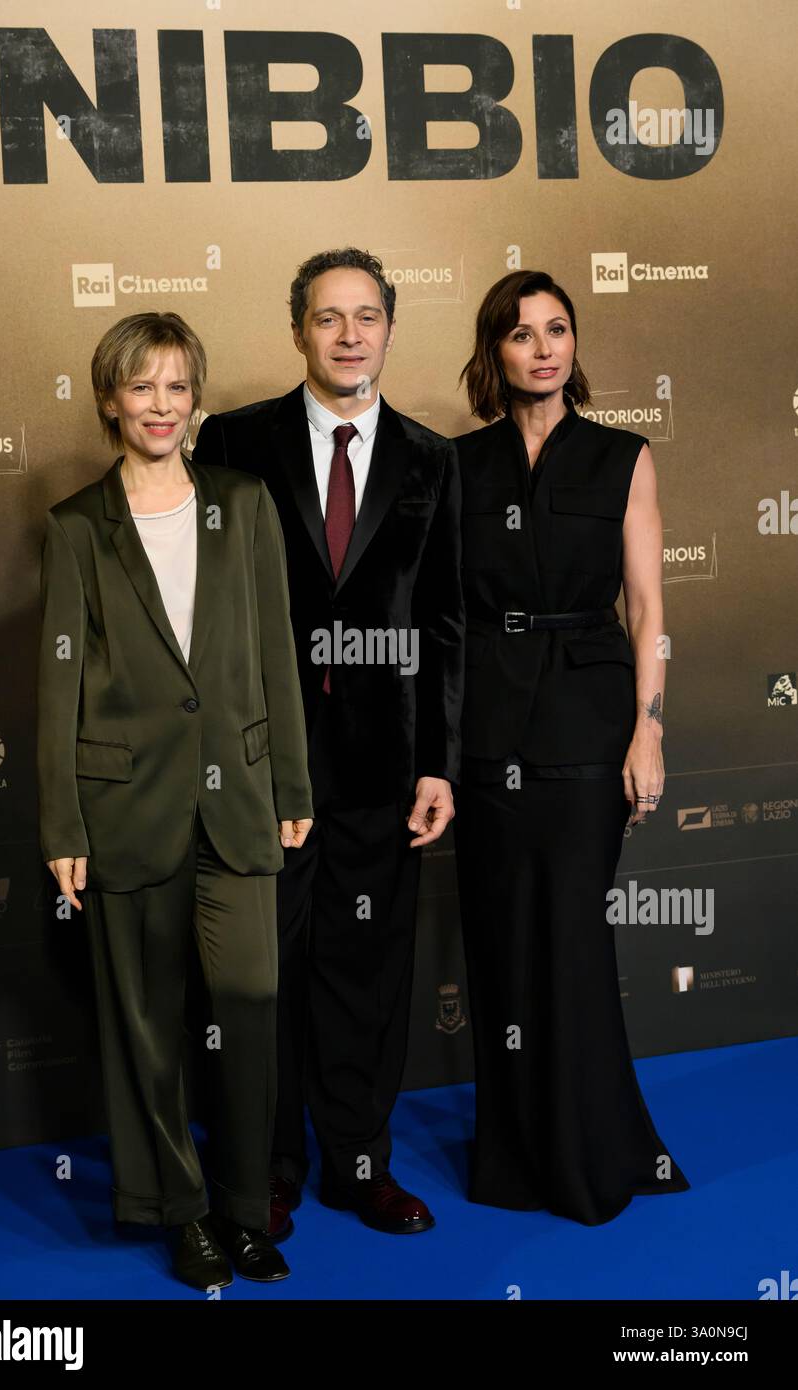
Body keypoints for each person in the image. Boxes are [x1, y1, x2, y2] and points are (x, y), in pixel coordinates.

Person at [36, 311, 313, 1289]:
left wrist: (290, 780)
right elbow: (57, 684)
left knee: (248, 1011)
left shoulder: (241, 503)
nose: (161, 404)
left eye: (177, 385)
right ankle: (179, 1210)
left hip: (236, 800)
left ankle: (245, 1208)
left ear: (196, 397)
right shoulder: (76, 526)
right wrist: (62, 823)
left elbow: (274, 647)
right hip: (123, 809)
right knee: (147, 1027)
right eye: (142, 386)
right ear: (110, 397)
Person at [192, 248, 464, 1238]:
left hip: (379, 771)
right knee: (262, 980)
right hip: (264, 769)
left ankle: (357, 1167)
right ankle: (265, 1172)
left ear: (389, 327)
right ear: (297, 330)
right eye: (326, 317)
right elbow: (205, 614)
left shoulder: (433, 461)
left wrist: (437, 761)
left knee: (365, 975)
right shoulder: (232, 438)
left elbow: (442, 625)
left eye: (364, 316)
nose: (347, 334)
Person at [452, 269, 690, 1225]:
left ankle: (594, 1150)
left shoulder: (623, 457)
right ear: (494, 352)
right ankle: (514, 1159)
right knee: (503, 945)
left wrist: (649, 726)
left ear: (575, 346)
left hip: (591, 725)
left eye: (559, 329)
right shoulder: (456, 466)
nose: (543, 347)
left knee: (575, 944)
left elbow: (648, 605)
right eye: (521, 333)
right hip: (485, 730)